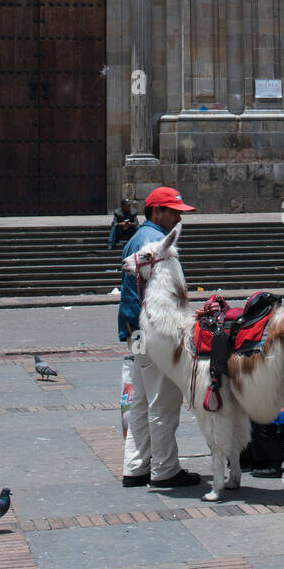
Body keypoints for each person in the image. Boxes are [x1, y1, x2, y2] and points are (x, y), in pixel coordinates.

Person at [118, 186, 201, 491]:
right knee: (164, 400)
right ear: (156, 212)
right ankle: (164, 469)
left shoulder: (138, 238)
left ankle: (136, 467)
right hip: (155, 332)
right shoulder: (155, 243)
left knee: (141, 402)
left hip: (135, 331)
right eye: (173, 211)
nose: (179, 217)